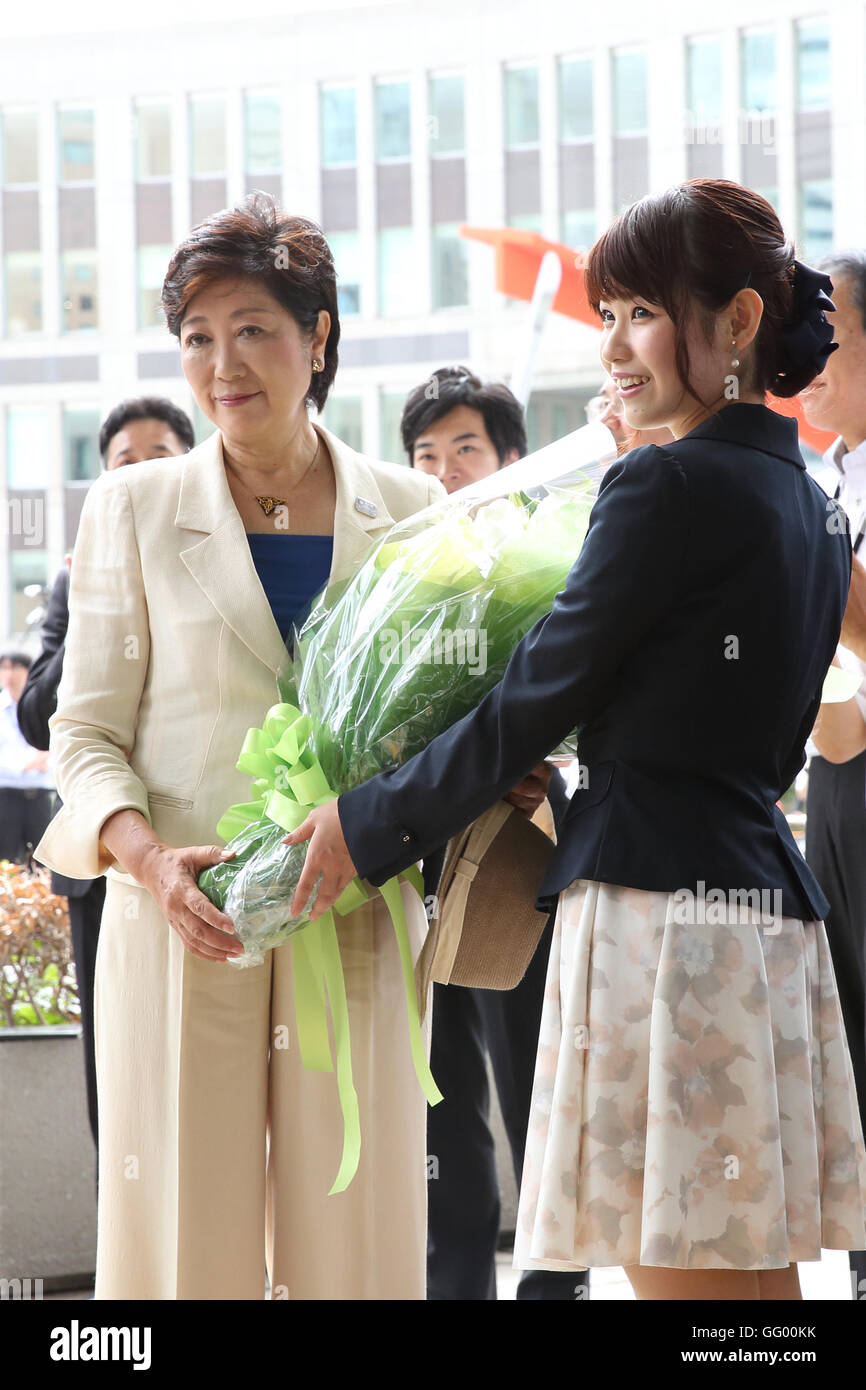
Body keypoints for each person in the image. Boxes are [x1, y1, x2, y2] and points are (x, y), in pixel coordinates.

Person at [285, 178, 866, 1301]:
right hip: (763, 915)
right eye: (605, 316)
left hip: (658, 917)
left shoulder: (663, 481)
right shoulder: (808, 504)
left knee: (688, 1291)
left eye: (637, 313)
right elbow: (680, 707)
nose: (612, 346)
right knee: (753, 1290)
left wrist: (368, 822)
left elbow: (534, 691)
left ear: (737, 322)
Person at [33, 192, 541, 1301]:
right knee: (179, 1248)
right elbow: (84, 729)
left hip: (352, 913)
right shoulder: (129, 505)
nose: (224, 363)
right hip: (181, 917)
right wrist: (147, 860)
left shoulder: (410, 508)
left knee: (354, 1250)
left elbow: (452, 717)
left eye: (254, 328)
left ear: (318, 340)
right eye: (199, 338)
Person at [404, 365, 586, 1300]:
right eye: (426, 455)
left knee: (534, 1076)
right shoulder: (399, 584)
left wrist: (547, 772)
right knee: (439, 1098)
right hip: (420, 859)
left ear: (512, 458)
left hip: (524, 851)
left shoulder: (559, 563)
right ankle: (456, 1280)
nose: (443, 473)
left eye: (464, 450)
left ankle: (559, 1278)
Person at [20, 396, 194, 1163]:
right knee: (113, 1070)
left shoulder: (211, 565)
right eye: (128, 461)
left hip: (200, 845)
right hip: (105, 865)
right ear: (105, 480)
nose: (146, 473)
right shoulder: (75, 581)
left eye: (164, 456)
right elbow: (35, 717)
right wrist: (94, 601)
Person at [799, 249, 866, 1297]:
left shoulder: (813, 488)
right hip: (835, 775)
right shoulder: (833, 468)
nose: (804, 359)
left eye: (828, 336)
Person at [0, 652, 53, 864]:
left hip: (39, 794)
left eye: (16, 668)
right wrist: (24, 765)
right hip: (6, 795)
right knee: (6, 859)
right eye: (4, 668)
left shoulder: (42, 706)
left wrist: (41, 761)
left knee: (41, 861)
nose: (9, 674)